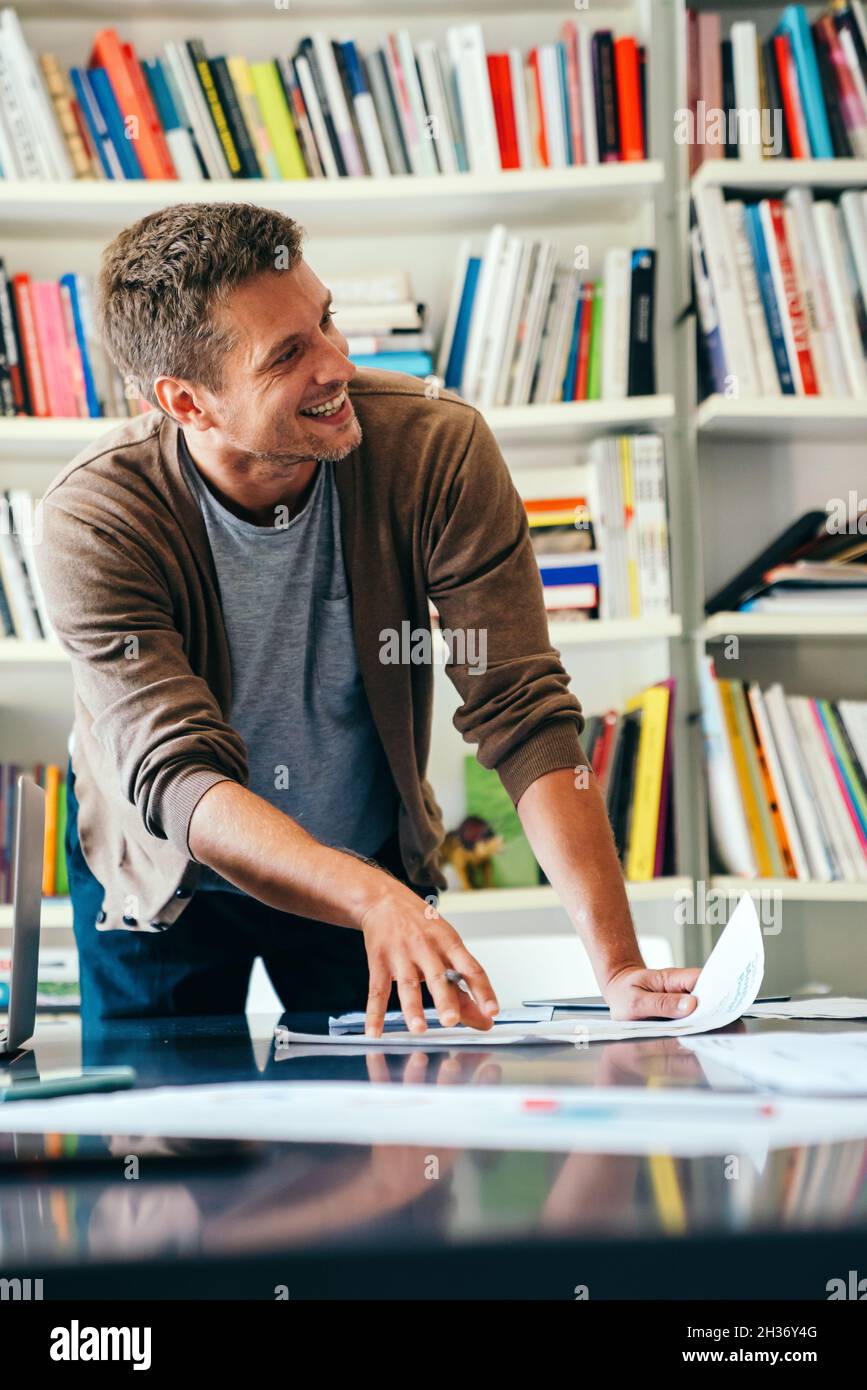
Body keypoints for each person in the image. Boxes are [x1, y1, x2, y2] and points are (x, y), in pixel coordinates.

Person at [36, 202, 699, 1032]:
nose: (338, 363)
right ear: (187, 401)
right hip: (168, 878)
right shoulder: (94, 515)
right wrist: (373, 897)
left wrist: (619, 968)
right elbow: (179, 774)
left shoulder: (435, 447)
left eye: (326, 322)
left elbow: (520, 707)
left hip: (362, 863)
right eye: (288, 355)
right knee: (162, 1148)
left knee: (390, 1140)